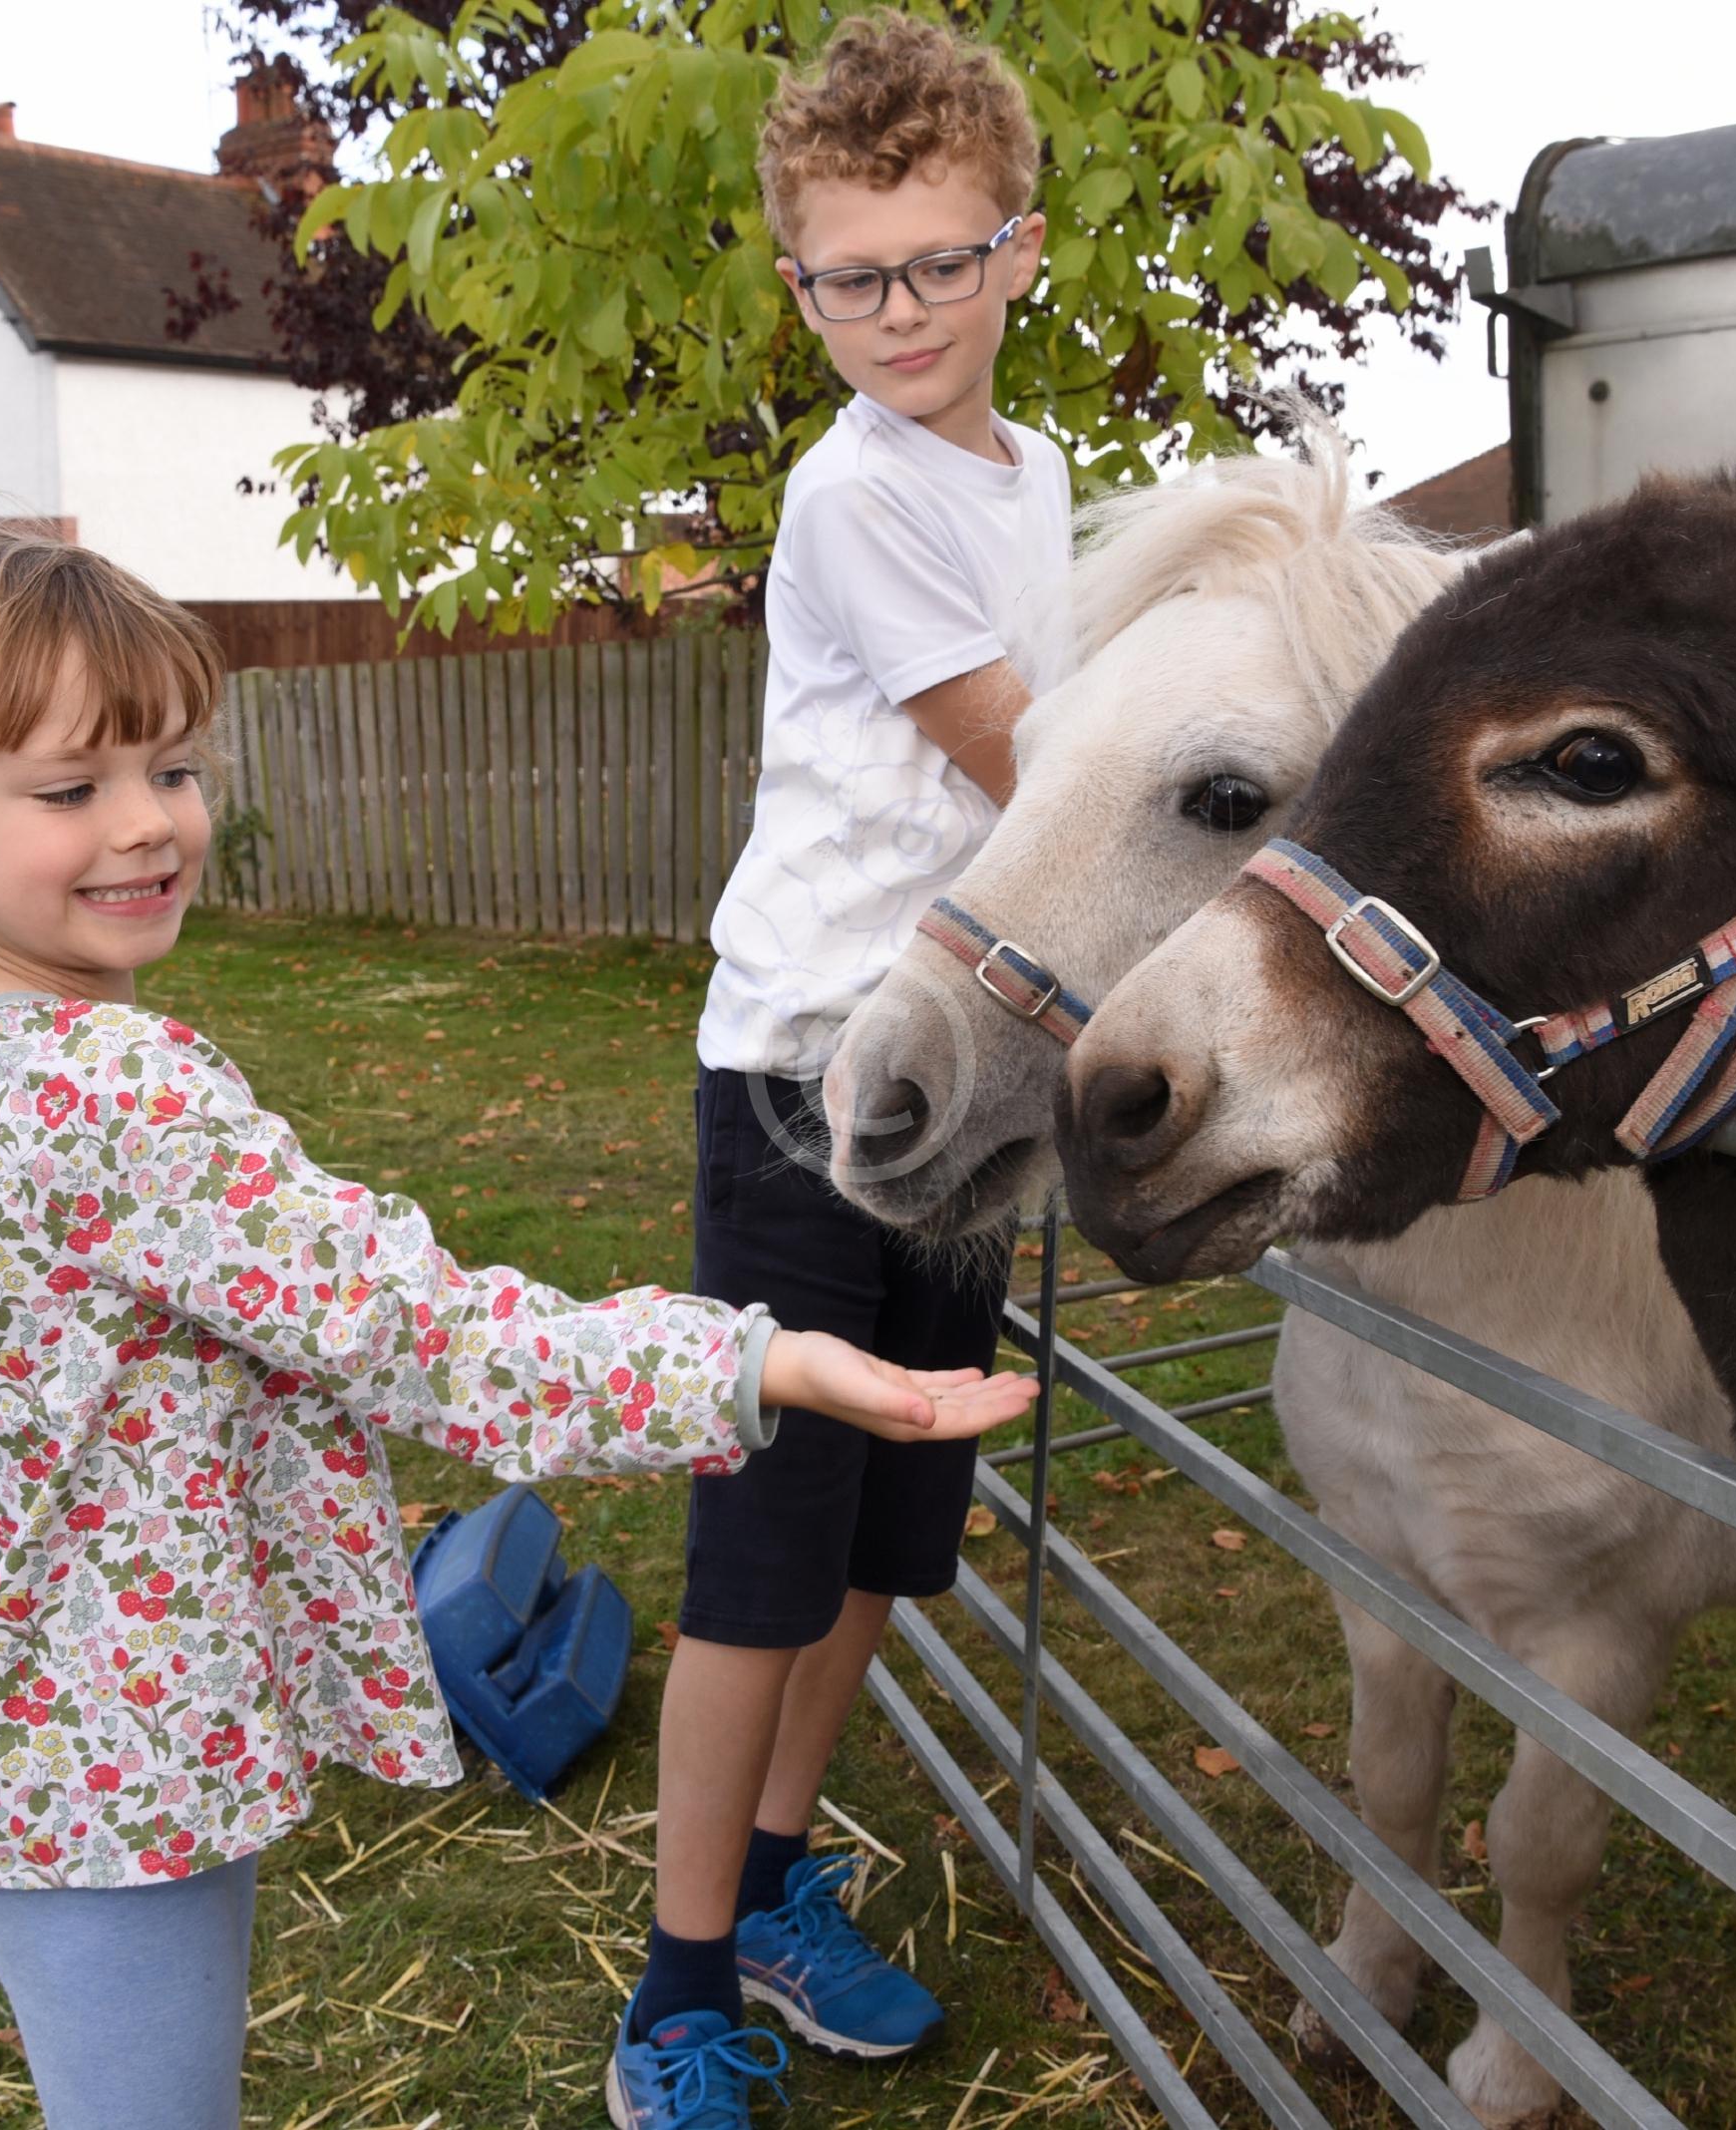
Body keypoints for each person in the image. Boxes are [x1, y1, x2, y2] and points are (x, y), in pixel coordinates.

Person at [0, 520, 1039, 2130]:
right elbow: (422, 1338)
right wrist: (756, 1360)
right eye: (70, 788)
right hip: (109, 1783)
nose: (148, 822)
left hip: (28, 1738)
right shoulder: (107, 1092)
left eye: (172, 769)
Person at [620, 15, 1072, 2125]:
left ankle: (777, 1884)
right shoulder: (858, 491)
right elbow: (1038, 771)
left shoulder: (1030, 478)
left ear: (1019, 251)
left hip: (955, 1084)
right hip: (812, 1077)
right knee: (764, 1564)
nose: (898, 313)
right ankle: (676, 1989)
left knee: (889, 1541)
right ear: (798, 284)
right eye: (849, 279)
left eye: (938, 263)